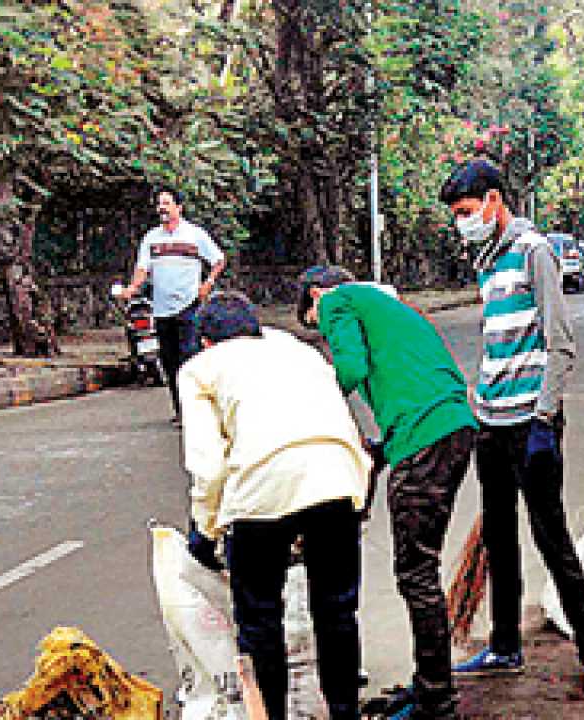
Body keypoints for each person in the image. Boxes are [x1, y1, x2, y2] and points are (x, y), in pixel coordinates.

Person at [439, 159, 584, 698]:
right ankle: (503, 644)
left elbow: (560, 341)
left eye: (467, 212)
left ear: (494, 200)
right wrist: (479, 400)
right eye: (456, 216)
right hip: (491, 423)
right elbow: (498, 341)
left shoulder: (534, 251)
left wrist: (543, 417)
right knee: (498, 536)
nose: (462, 223)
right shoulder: (487, 261)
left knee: (550, 535)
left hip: (530, 424)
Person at [297, 266, 479, 719]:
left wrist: (306, 399)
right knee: (421, 566)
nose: (323, 329)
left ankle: (437, 700)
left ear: (316, 295)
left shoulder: (339, 301)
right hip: (452, 427)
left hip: (425, 436)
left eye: (314, 322)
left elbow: (351, 369)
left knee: (416, 572)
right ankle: (428, 686)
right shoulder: (392, 306)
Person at [179, 291, 370, 720]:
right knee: (337, 610)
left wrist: (205, 531)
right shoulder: (300, 352)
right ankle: (345, 713)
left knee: (260, 620)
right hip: (336, 479)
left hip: (259, 492)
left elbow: (207, 466)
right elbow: (343, 422)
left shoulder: (200, 368)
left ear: (206, 341)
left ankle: (273, 715)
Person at [119, 188, 225, 424]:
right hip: (161, 308)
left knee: (190, 356)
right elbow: (142, 268)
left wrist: (208, 282)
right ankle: (180, 410)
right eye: (159, 204)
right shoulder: (152, 238)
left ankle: (198, 409)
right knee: (169, 360)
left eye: (167, 203)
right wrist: (132, 288)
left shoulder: (194, 235)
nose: (162, 208)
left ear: (179, 207)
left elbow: (218, 260)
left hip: (189, 305)